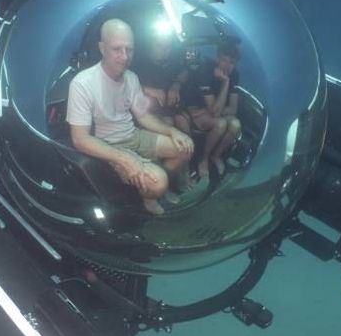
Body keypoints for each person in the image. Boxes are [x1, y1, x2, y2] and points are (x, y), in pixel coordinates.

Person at [66, 19, 193, 215]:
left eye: (129, 49)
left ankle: (152, 190)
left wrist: (172, 131)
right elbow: (79, 139)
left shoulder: (131, 77)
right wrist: (124, 159)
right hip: (109, 145)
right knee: (159, 183)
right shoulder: (82, 83)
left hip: (132, 135)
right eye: (117, 49)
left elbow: (143, 116)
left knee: (185, 148)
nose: (125, 57)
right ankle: (152, 195)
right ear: (102, 48)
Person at [182, 41, 242, 185]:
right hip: (193, 110)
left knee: (236, 124)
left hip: (207, 110)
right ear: (217, 59)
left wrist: (226, 82)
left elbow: (233, 109)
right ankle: (204, 158)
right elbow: (216, 112)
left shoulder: (234, 75)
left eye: (232, 62)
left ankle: (216, 155)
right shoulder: (205, 70)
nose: (227, 66)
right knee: (220, 124)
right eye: (224, 60)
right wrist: (215, 108)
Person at [132, 34, 190, 136]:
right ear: (150, 46)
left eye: (167, 47)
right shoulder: (138, 63)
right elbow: (125, 83)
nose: (164, 50)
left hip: (167, 108)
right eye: (159, 46)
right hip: (144, 111)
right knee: (168, 122)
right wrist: (148, 90)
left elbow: (184, 72)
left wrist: (176, 85)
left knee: (183, 121)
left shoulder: (171, 63)